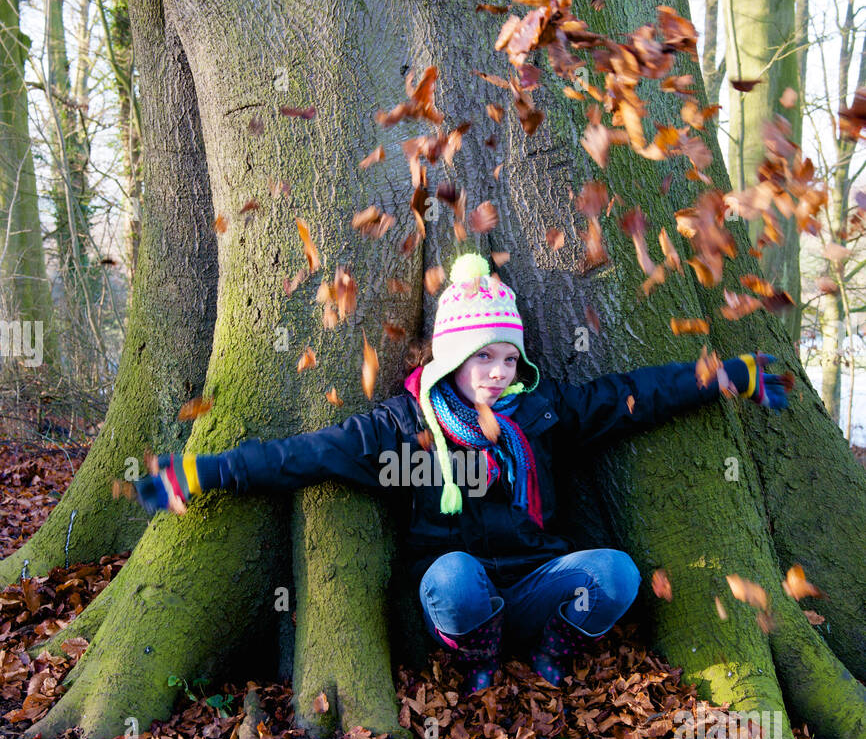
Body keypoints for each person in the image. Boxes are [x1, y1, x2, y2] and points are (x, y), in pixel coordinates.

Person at [128, 252, 789, 692]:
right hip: (457, 585)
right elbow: (303, 454)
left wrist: (730, 375)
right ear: (451, 360)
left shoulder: (542, 410)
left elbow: (634, 396)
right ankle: (476, 655)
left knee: (614, 572)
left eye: (507, 358)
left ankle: (549, 652)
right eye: (482, 359)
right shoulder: (403, 425)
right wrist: (204, 473)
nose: (498, 373)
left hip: (535, 576)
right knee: (454, 579)